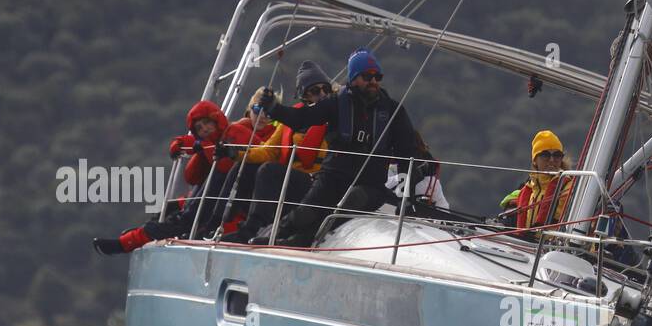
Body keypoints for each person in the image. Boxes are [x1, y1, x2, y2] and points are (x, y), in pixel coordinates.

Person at [255, 48, 419, 246]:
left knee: (354, 198)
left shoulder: (393, 111)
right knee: (303, 214)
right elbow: (301, 118)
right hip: (332, 177)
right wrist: (274, 108)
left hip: (371, 186)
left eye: (377, 76)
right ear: (354, 79)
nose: (373, 81)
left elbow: (406, 155)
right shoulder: (336, 103)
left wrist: (405, 196)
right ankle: (274, 236)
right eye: (367, 76)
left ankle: (304, 240)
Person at [91, 98, 268, 255]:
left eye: (207, 123)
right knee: (171, 211)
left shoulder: (236, 132)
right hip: (216, 202)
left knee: (183, 219)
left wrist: (202, 146)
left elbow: (238, 166)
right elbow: (191, 169)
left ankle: (128, 242)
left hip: (236, 204)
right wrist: (182, 145)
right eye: (199, 128)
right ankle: (137, 235)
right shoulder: (211, 143)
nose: (204, 129)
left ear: (216, 119)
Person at [222, 63, 333, 243]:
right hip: (295, 185)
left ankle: (254, 229)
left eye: (325, 89)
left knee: (270, 171)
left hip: (319, 184)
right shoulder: (291, 120)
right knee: (247, 168)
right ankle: (219, 222)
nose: (321, 94)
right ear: (303, 95)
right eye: (314, 90)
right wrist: (235, 153)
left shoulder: (336, 117)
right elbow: (268, 151)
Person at [498, 130, 574, 231]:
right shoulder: (527, 188)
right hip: (526, 243)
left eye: (557, 155)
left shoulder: (569, 187)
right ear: (535, 160)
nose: (551, 159)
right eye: (545, 155)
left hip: (550, 245)